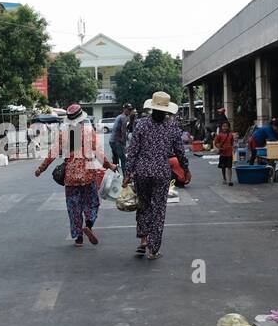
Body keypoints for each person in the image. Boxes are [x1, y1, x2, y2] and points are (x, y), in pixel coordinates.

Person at [35, 104, 114, 247]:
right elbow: (98, 153)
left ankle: (78, 238)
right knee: (92, 203)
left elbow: (52, 153)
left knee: (73, 207)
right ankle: (88, 225)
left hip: (70, 177)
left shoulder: (64, 134)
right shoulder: (89, 132)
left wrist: (41, 169)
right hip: (88, 174)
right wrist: (110, 166)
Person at [124, 91, 190, 260]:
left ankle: (143, 241)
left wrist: (127, 173)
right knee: (159, 210)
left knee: (143, 205)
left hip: (142, 172)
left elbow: (132, 151)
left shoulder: (141, 124)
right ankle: (153, 250)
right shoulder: (172, 127)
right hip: (161, 172)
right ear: (167, 110)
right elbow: (180, 152)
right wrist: (186, 169)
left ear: (151, 108)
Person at [110, 104, 134, 173]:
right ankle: (125, 177)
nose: (129, 111)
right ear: (124, 109)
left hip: (112, 141)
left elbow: (126, 129)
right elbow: (123, 131)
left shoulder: (121, 117)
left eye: (130, 109)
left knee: (115, 160)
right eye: (128, 109)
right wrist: (124, 144)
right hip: (117, 141)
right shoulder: (123, 117)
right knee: (123, 159)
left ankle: (113, 176)